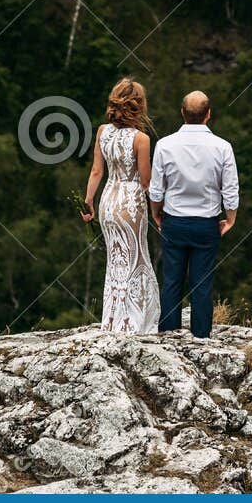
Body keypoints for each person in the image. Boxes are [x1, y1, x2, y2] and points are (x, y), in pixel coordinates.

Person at [148, 90, 239, 338]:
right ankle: (201, 337)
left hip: (174, 221)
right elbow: (229, 188)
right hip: (207, 223)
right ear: (208, 114)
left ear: (182, 113)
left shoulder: (165, 145)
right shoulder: (223, 147)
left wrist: (157, 214)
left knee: (171, 282)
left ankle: (168, 334)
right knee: (202, 284)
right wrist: (230, 218)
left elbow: (156, 189)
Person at [81, 78, 160, 333]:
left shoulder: (102, 131)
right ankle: (135, 323)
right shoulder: (141, 139)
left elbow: (96, 171)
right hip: (130, 201)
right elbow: (146, 181)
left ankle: (113, 321)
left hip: (108, 201)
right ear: (139, 106)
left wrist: (88, 200)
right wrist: (161, 207)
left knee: (115, 262)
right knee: (136, 260)